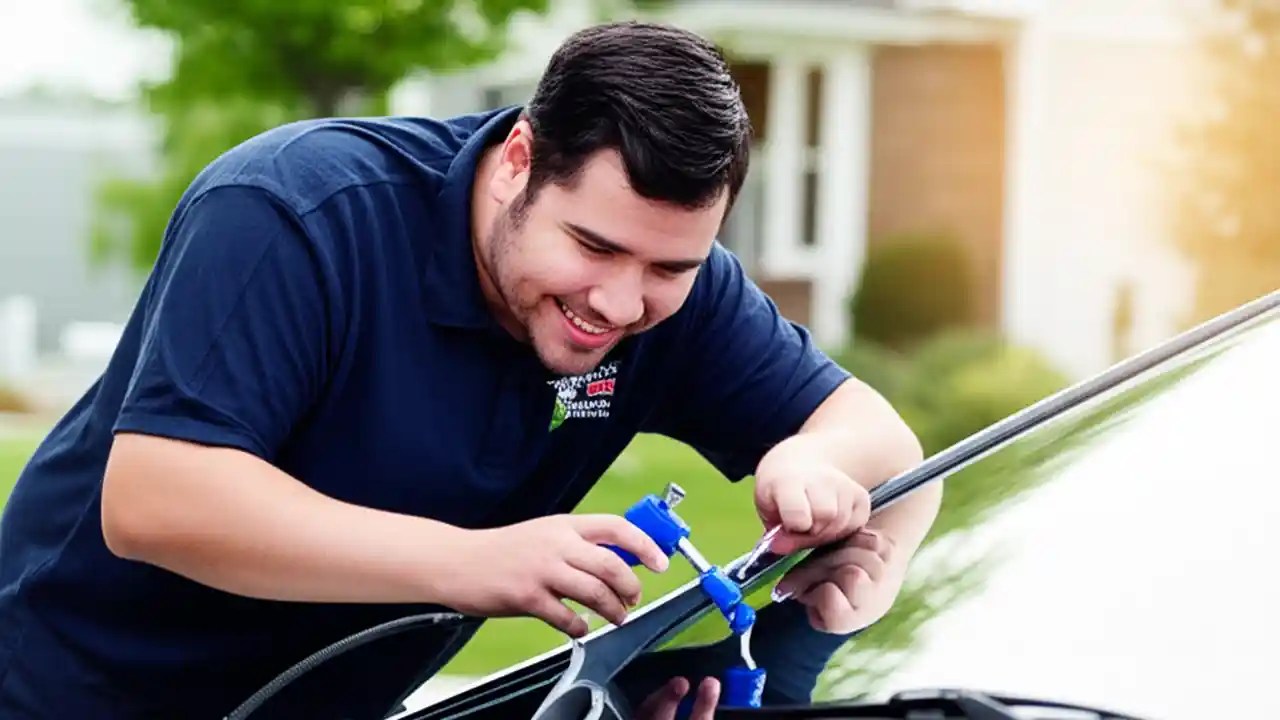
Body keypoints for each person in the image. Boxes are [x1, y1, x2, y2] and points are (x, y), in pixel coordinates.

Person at [0, 20, 940, 720]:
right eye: (592, 245)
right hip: (67, 692)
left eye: (669, 267)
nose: (620, 302)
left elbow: (888, 449)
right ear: (520, 158)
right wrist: (473, 562)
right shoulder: (295, 213)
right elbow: (157, 499)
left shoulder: (681, 297)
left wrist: (828, 486)